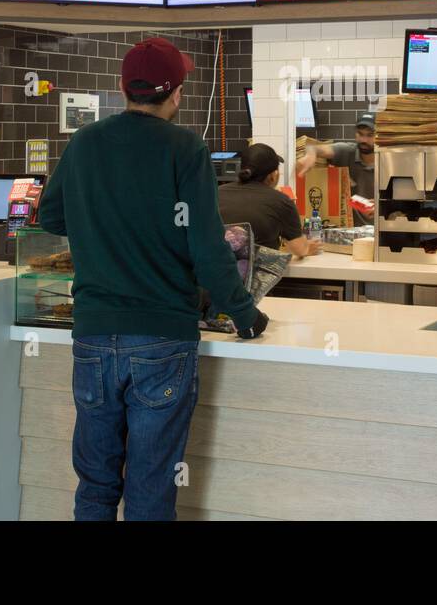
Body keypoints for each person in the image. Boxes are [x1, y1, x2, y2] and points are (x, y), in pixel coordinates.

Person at [38, 37, 268, 522]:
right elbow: (208, 249)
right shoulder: (186, 148)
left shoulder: (84, 142)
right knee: (150, 488)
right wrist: (245, 315)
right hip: (163, 340)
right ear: (176, 93)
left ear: (123, 88)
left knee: (96, 485)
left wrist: (102, 217)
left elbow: (51, 218)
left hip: (94, 337)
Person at [218, 143, 321, 257]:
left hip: (213, 271)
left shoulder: (216, 193)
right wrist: (308, 248)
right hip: (256, 273)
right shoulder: (281, 201)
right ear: (274, 175)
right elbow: (299, 250)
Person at [295, 113, 376, 226]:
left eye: (370, 135)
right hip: (349, 229)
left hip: (378, 230)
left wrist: (381, 207)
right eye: (360, 134)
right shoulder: (347, 152)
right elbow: (313, 147)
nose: (364, 140)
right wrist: (310, 156)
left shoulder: (387, 161)